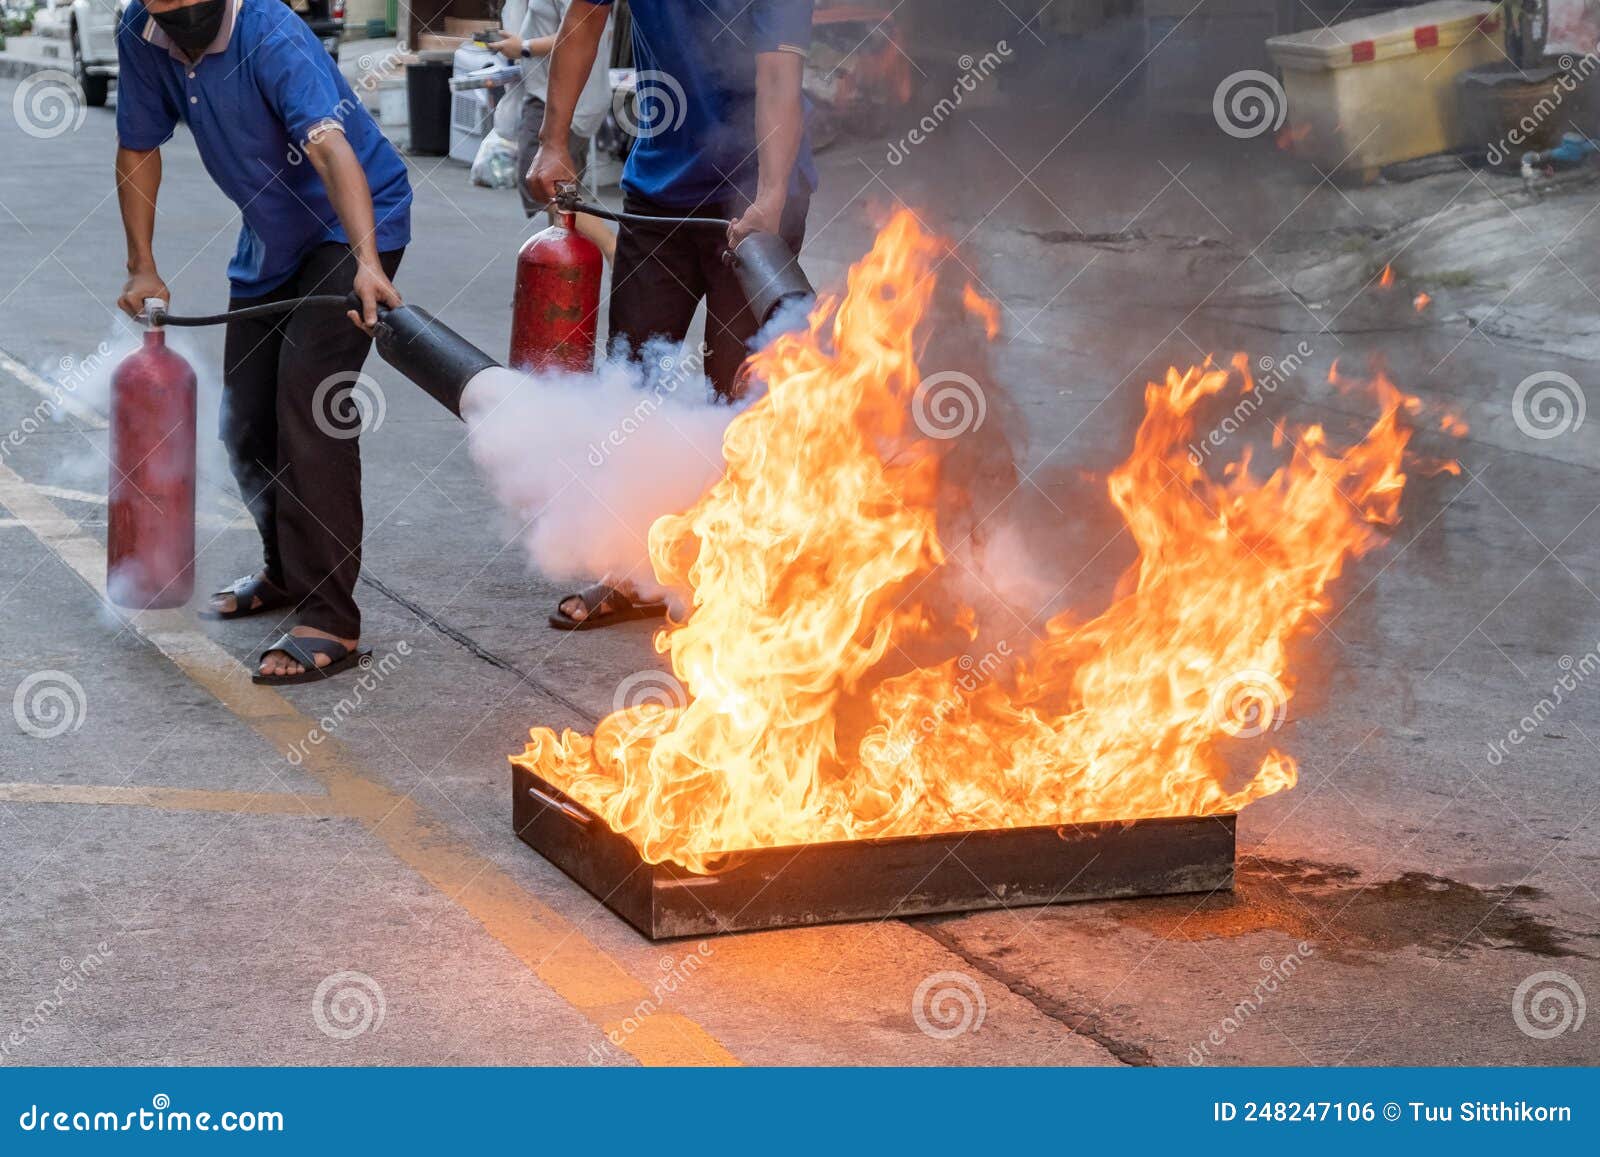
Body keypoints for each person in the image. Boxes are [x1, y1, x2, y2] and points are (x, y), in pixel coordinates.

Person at [113, 0, 411, 685]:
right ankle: (284, 572)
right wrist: (142, 265)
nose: (176, 14)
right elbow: (137, 145)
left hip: (352, 229)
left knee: (309, 406)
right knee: (244, 420)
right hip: (271, 240)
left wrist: (368, 261)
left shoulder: (268, 30)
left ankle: (330, 616)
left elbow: (331, 145)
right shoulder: (139, 31)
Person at [526, 0, 816, 630]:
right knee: (631, 377)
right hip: (659, 188)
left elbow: (776, 76)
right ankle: (630, 566)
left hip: (756, 190)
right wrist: (553, 143)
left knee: (738, 391)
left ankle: (736, 573)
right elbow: (583, 20)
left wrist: (769, 199)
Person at [490, 0, 616, 260]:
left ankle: (612, 246)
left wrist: (524, 47)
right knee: (560, 202)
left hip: (559, 102)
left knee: (548, 186)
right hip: (561, 98)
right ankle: (562, 281)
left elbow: (583, 30)